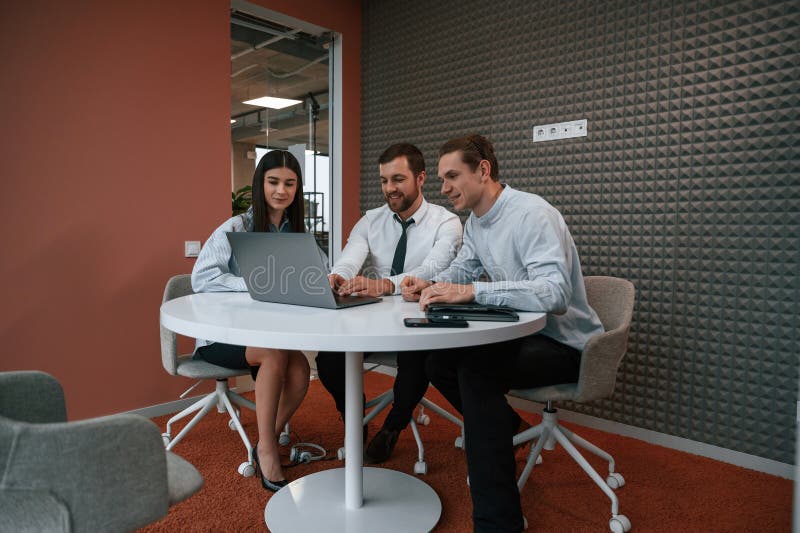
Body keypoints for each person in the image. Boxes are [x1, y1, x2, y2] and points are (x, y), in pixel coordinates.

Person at [401, 135, 604, 533]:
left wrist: (474, 291)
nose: (444, 188)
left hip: (565, 342)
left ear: (483, 170)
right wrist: (430, 284)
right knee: (437, 362)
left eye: (452, 176)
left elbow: (554, 294)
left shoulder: (532, 214)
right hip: (524, 336)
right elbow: (463, 268)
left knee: (476, 373)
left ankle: (499, 522)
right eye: (442, 179)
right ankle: (507, 429)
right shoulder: (477, 222)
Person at [315, 142, 462, 463]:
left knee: (417, 358)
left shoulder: (446, 222)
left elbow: (431, 269)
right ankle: (353, 415)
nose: (389, 188)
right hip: (377, 317)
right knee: (328, 359)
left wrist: (383, 285)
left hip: (422, 314)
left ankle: (393, 426)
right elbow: (349, 258)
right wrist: (338, 276)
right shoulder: (371, 220)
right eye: (384, 180)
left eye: (398, 179)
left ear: (420, 178)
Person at [191, 150, 311, 492]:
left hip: (267, 334)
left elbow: (316, 271)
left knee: (300, 369)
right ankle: (269, 450)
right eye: (273, 182)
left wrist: (327, 278)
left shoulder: (295, 231)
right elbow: (202, 278)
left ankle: (265, 438)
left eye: (289, 183)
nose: (281, 190)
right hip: (222, 335)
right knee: (274, 354)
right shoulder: (236, 228)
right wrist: (257, 283)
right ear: (260, 184)